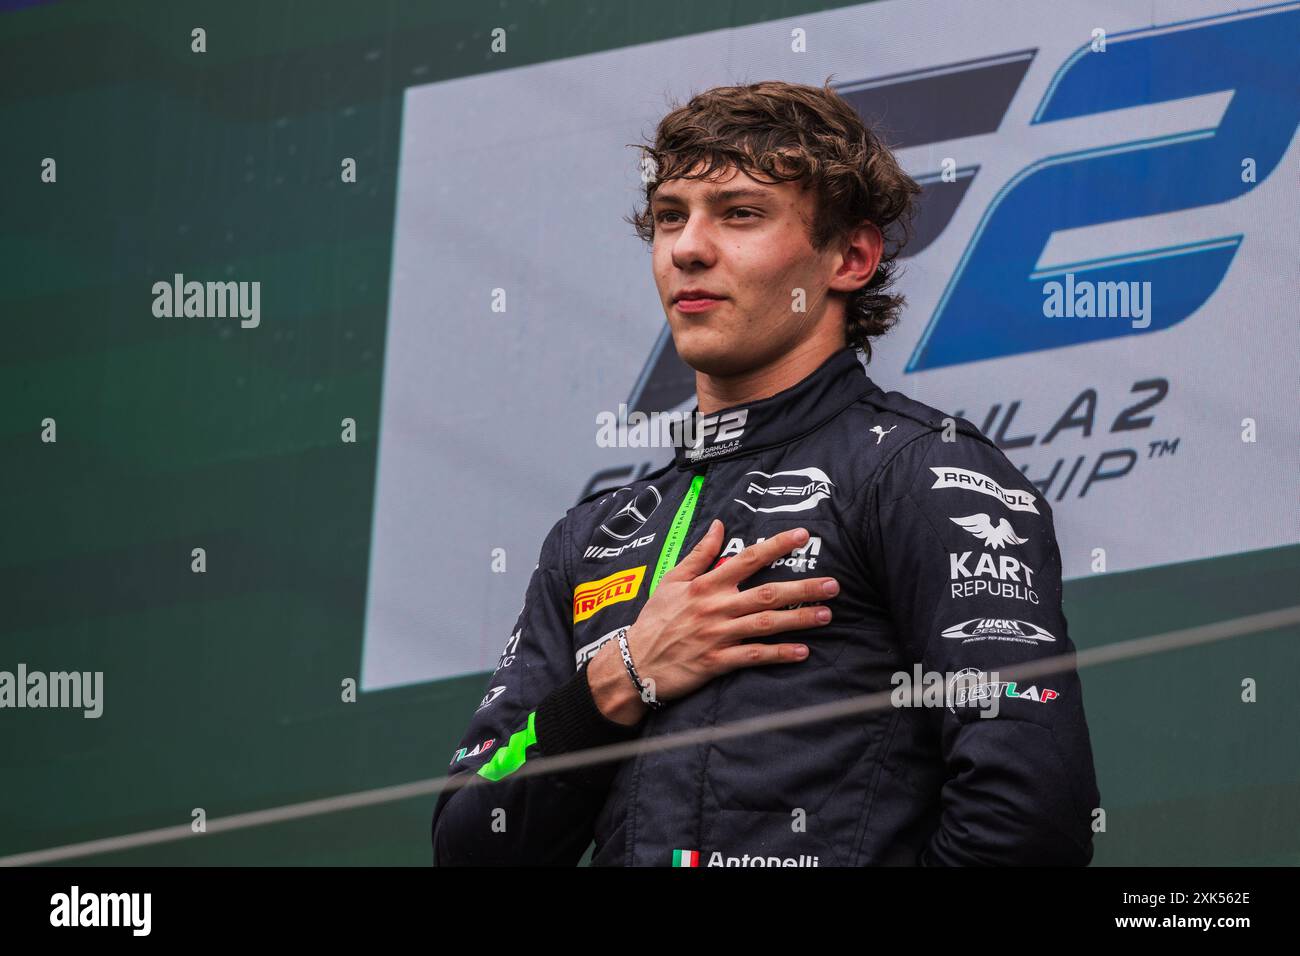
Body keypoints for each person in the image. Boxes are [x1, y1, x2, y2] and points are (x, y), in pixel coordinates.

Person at [431, 79, 1100, 866]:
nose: (687, 247)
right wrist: (618, 681)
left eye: (740, 214)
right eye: (670, 217)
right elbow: (470, 843)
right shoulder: (593, 538)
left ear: (850, 256)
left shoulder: (922, 468)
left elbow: (1030, 821)